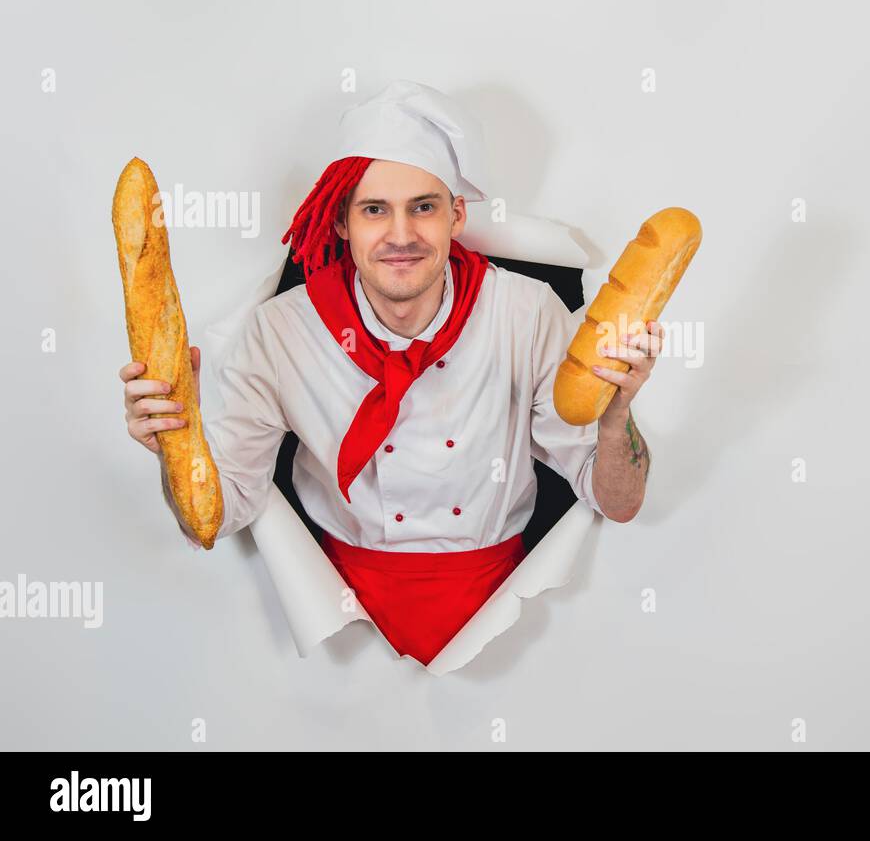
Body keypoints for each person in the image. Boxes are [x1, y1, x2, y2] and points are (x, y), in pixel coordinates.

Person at [117, 81, 659, 665]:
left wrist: (616, 421)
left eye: (422, 207)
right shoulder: (279, 332)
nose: (401, 235)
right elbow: (218, 519)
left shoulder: (526, 314)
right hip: (338, 613)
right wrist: (176, 444)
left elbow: (615, 502)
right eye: (374, 210)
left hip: (508, 610)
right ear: (343, 223)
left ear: (456, 215)